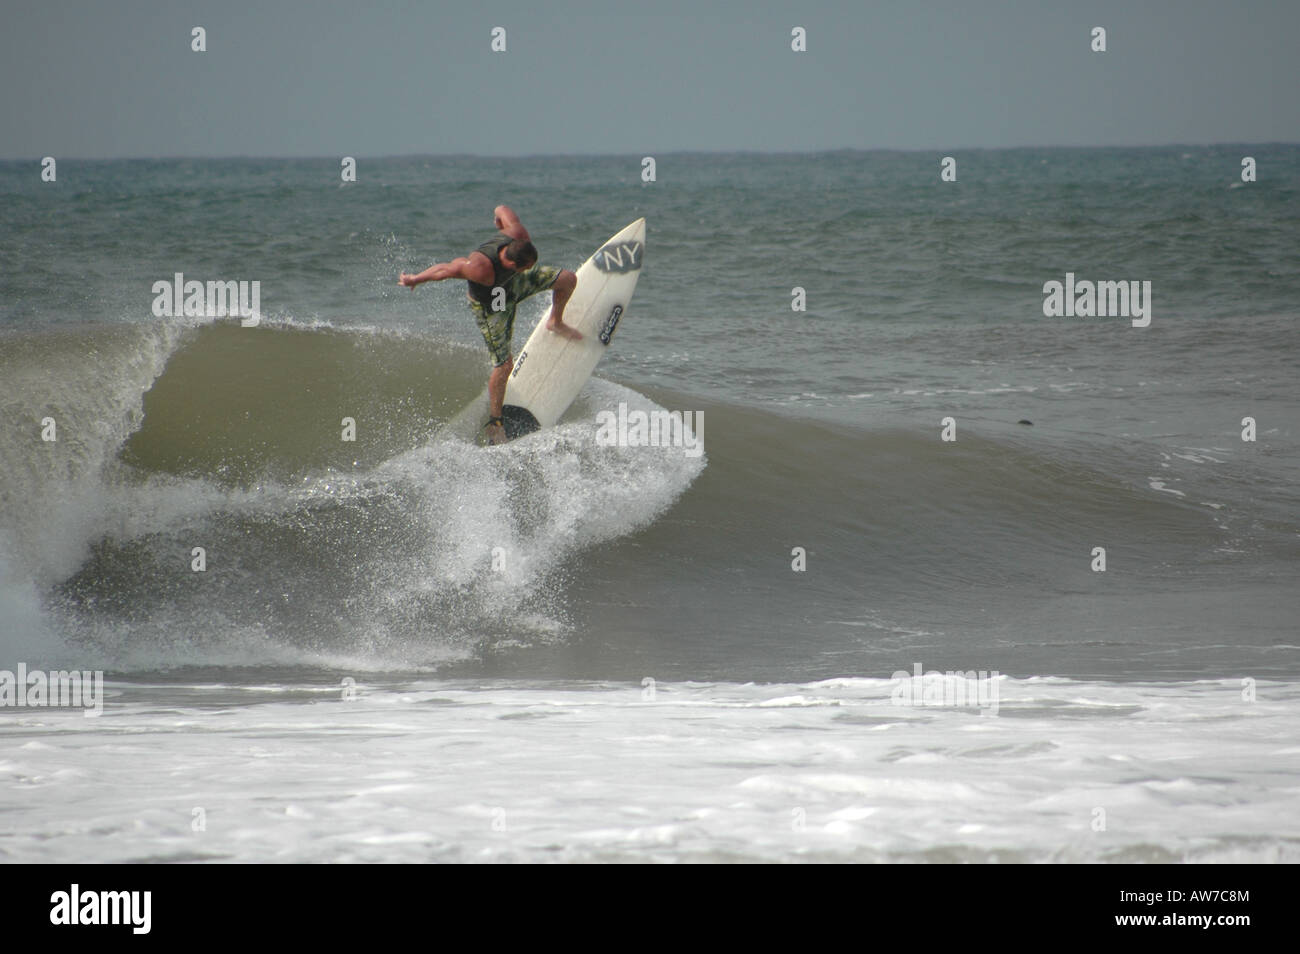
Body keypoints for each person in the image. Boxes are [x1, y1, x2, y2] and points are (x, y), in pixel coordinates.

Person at [399, 205, 581, 444]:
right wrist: (416, 279)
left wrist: (497, 218)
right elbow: (446, 269)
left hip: (513, 285)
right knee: (504, 365)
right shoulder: (479, 268)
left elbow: (503, 209)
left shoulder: (517, 234)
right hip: (491, 306)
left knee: (567, 279)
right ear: (512, 264)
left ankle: (555, 322)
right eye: (526, 267)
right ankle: (495, 422)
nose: (529, 269)